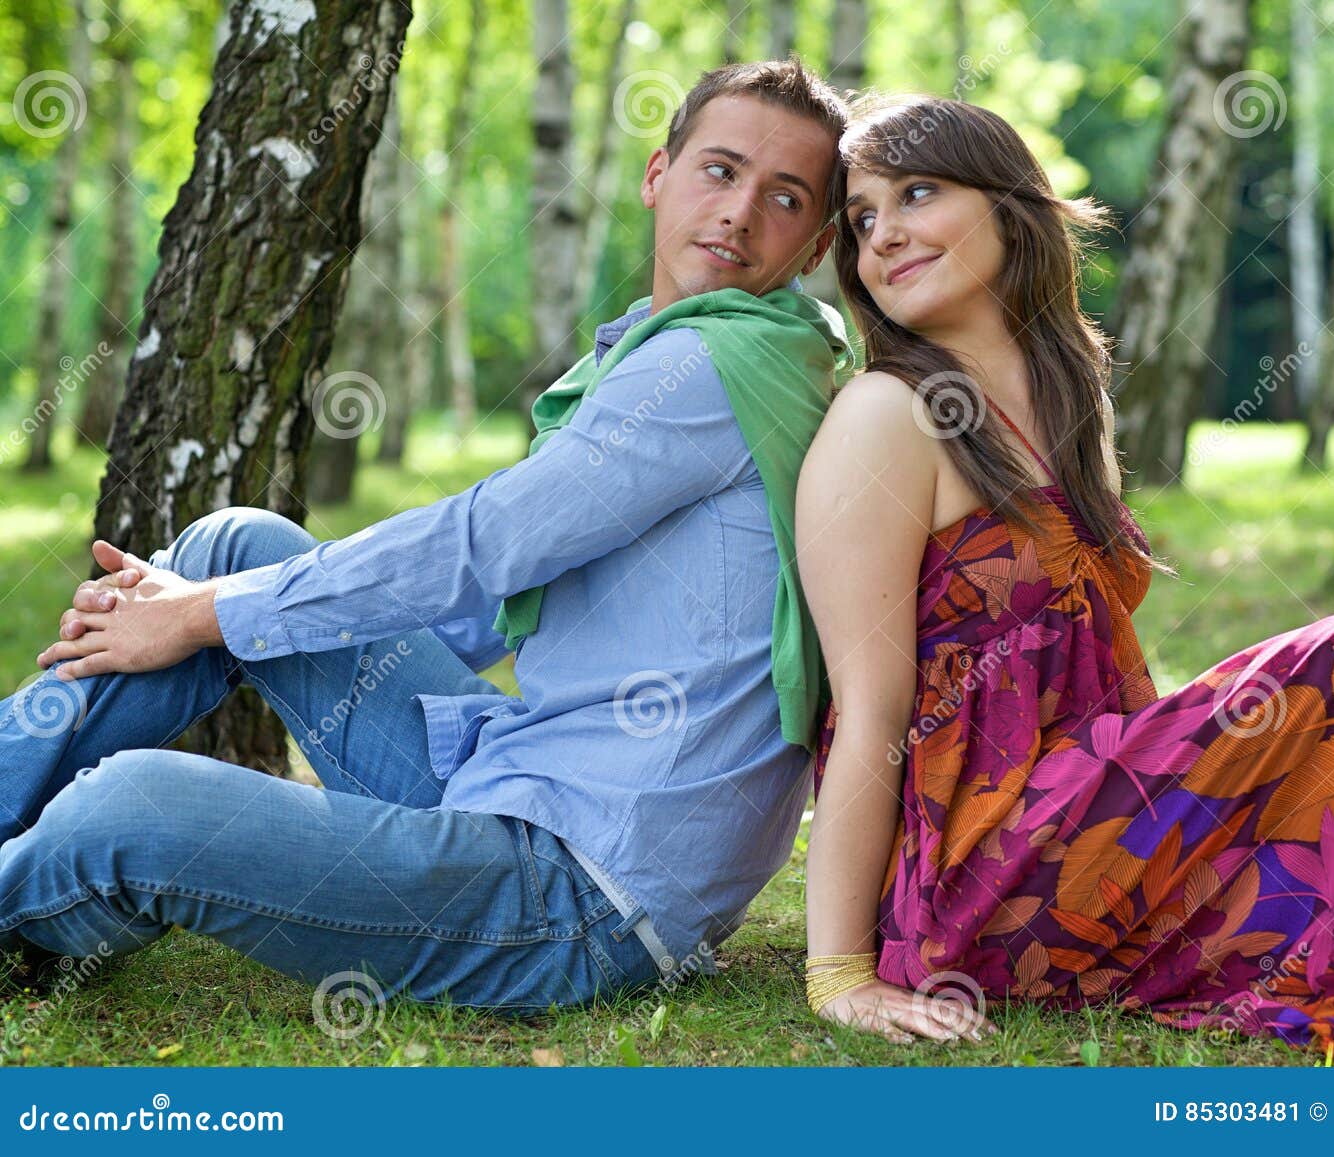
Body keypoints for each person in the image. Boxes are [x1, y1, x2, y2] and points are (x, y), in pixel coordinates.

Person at [1, 59, 851, 1016]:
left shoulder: (715, 364)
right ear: (659, 174)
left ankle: (38, 887)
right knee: (238, 544)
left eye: (783, 197)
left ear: (818, 239)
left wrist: (207, 618)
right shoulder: (698, 346)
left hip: (583, 889)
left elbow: (486, 542)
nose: (739, 213)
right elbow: (511, 583)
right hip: (528, 782)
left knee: (133, 808)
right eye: (720, 171)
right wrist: (232, 615)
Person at [795, 94, 1334, 1065]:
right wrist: (840, 970)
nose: (882, 236)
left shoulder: (1062, 393)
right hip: (980, 880)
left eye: (915, 193)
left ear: (1009, 204)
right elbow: (868, 711)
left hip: (1090, 822)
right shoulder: (886, 415)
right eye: (862, 217)